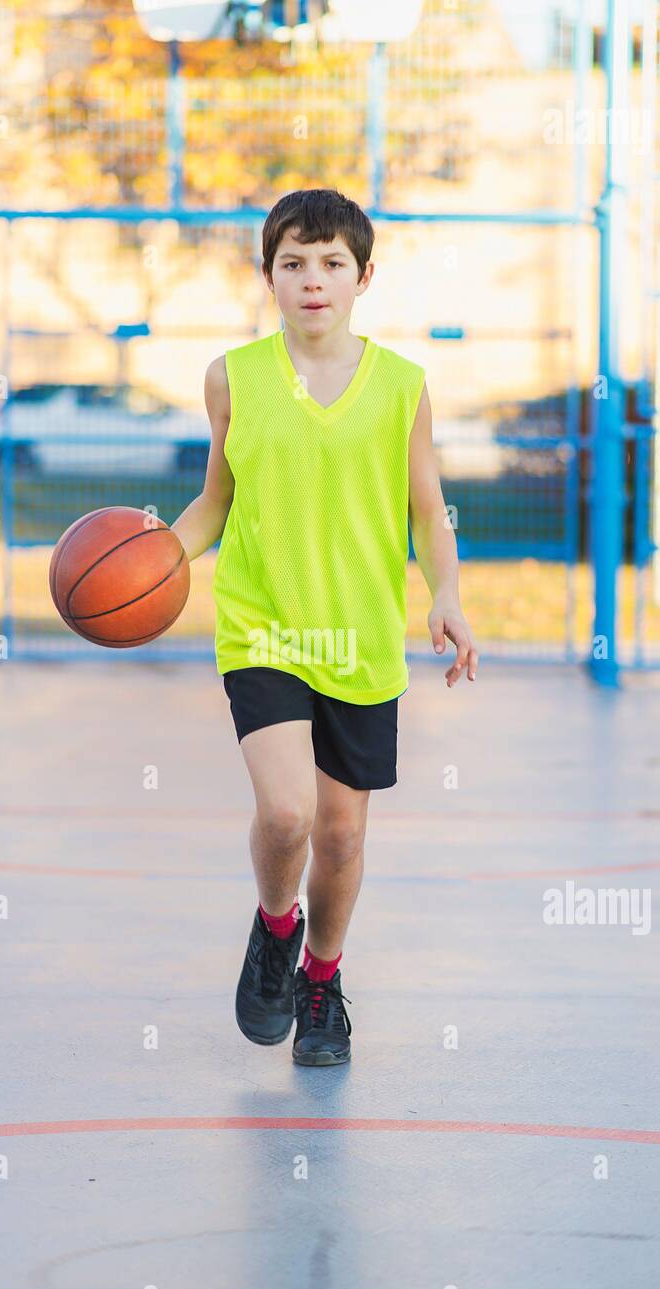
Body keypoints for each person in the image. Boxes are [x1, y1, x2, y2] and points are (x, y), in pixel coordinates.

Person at [171, 187, 478, 1066]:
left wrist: (446, 592)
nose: (312, 281)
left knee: (340, 835)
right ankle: (274, 927)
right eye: (293, 263)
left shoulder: (402, 387)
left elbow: (427, 513)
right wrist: (157, 554)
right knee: (287, 811)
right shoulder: (233, 377)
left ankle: (320, 978)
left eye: (331, 264)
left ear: (362, 277)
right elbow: (213, 504)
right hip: (263, 627)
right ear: (266, 274)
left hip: (360, 635)